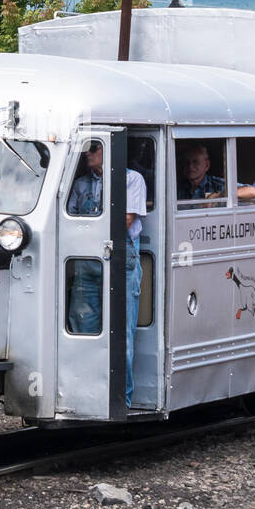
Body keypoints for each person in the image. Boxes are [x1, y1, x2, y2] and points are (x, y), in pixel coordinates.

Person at [67, 140, 146, 407]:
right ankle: (86, 395)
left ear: (109, 149)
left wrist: (84, 231)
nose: (87, 153)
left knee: (121, 331)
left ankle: (119, 399)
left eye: (93, 147)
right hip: (87, 260)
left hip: (122, 257)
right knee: (82, 327)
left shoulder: (132, 179)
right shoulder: (79, 184)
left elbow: (125, 219)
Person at [177, 142, 255, 202]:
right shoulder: (177, 187)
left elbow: (251, 191)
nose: (190, 166)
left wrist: (219, 195)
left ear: (206, 165)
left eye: (195, 162)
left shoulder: (218, 184)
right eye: (186, 162)